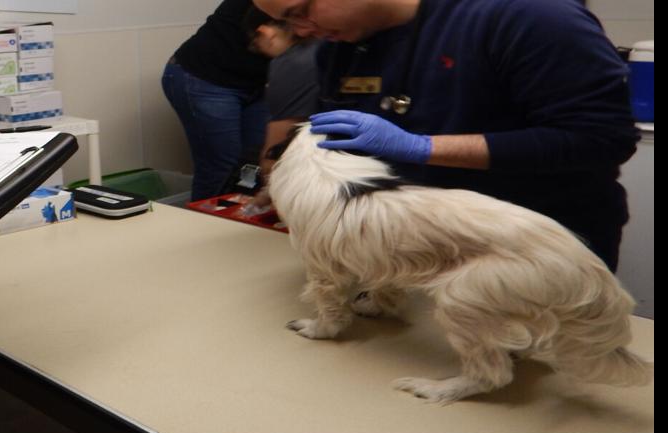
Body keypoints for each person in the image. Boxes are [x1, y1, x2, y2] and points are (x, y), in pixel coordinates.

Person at [252, 0, 637, 271]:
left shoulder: (528, 15)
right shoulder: (339, 50)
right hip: (413, 256)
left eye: (301, 11)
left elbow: (600, 138)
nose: (301, 30)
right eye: (287, 21)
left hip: (532, 252)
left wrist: (423, 147)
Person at [161, 0, 272, 201]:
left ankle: (244, 218)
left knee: (253, 165)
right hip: (205, 78)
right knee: (222, 170)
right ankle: (210, 220)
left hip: (255, 82)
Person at [242, 6, 321, 199]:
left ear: (266, 33)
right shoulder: (330, 47)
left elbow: (275, 149)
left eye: (256, 46)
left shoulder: (291, 63)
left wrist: (269, 187)